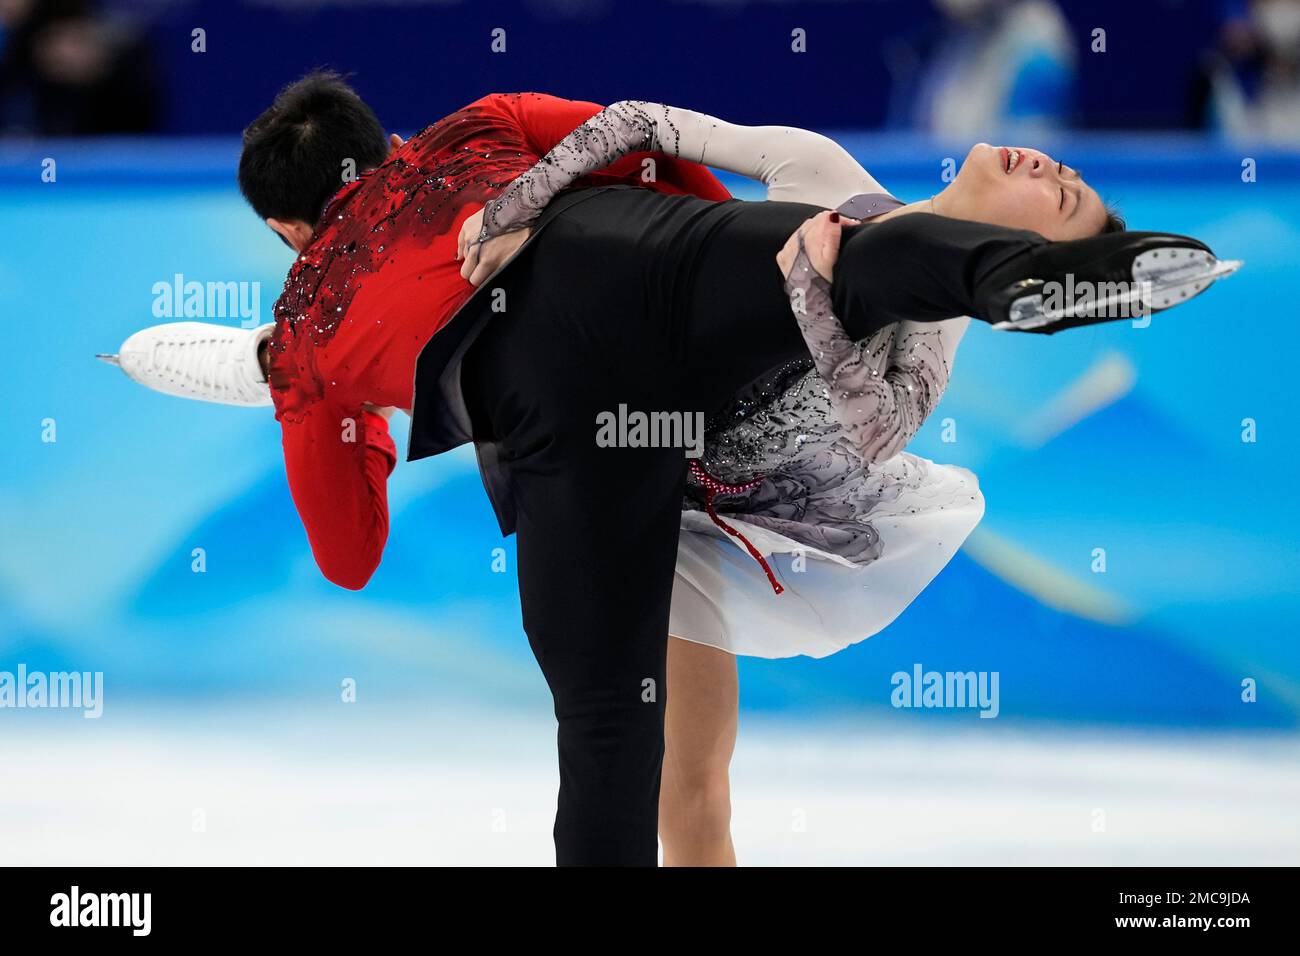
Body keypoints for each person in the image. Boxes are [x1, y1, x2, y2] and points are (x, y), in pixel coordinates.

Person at [101, 76, 1236, 865]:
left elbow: (350, 556)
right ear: (382, 142)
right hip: (656, 381)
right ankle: (1020, 279)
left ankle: (1046, 286)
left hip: (674, 454)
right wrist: (559, 215)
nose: (1053, 161)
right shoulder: (483, 137)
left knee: (607, 729)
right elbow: (644, 132)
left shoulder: (325, 299)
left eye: (1069, 194)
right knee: (664, 769)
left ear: (295, 229)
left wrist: (803, 292)